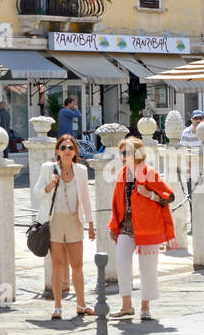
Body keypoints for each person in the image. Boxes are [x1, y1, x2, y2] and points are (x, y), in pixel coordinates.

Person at [108, 138, 175, 321]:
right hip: (126, 227)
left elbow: (169, 197)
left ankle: (145, 306)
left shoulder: (150, 173)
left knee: (148, 267)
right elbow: (117, 203)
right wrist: (114, 225)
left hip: (147, 227)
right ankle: (126, 305)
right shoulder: (122, 174)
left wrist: (150, 194)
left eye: (126, 153)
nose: (122, 157)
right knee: (121, 262)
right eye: (121, 153)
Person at [35, 134, 96, 320]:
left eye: (70, 148)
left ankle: (81, 304)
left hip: (74, 220)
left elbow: (85, 198)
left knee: (77, 265)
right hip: (54, 221)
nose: (67, 151)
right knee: (57, 265)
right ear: (57, 151)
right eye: (63, 148)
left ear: (75, 151)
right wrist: (50, 185)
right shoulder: (48, 168)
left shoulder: (81, 170)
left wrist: (91, 224)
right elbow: (37, 191)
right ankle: (58, 306)